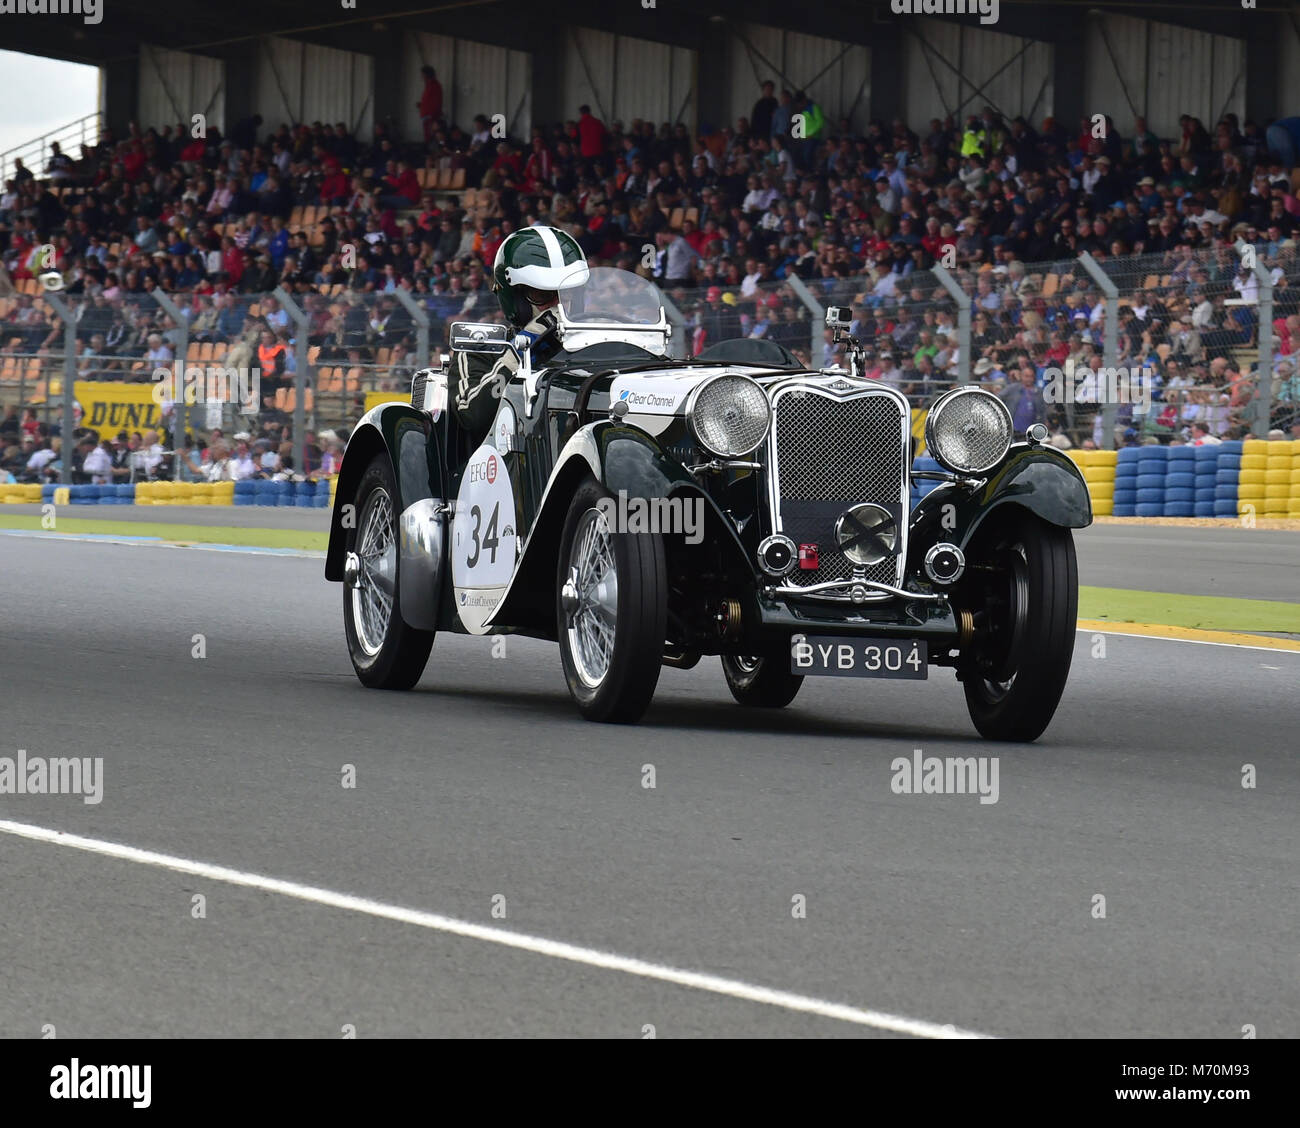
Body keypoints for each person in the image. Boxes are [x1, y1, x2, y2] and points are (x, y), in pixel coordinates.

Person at [450, 226, 589, 445]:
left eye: (567, 293)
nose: (558, 305)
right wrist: (519, 353)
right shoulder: (482, 349)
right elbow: (472, 415)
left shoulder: (594, 343)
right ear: (515, 299)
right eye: (542, 294)